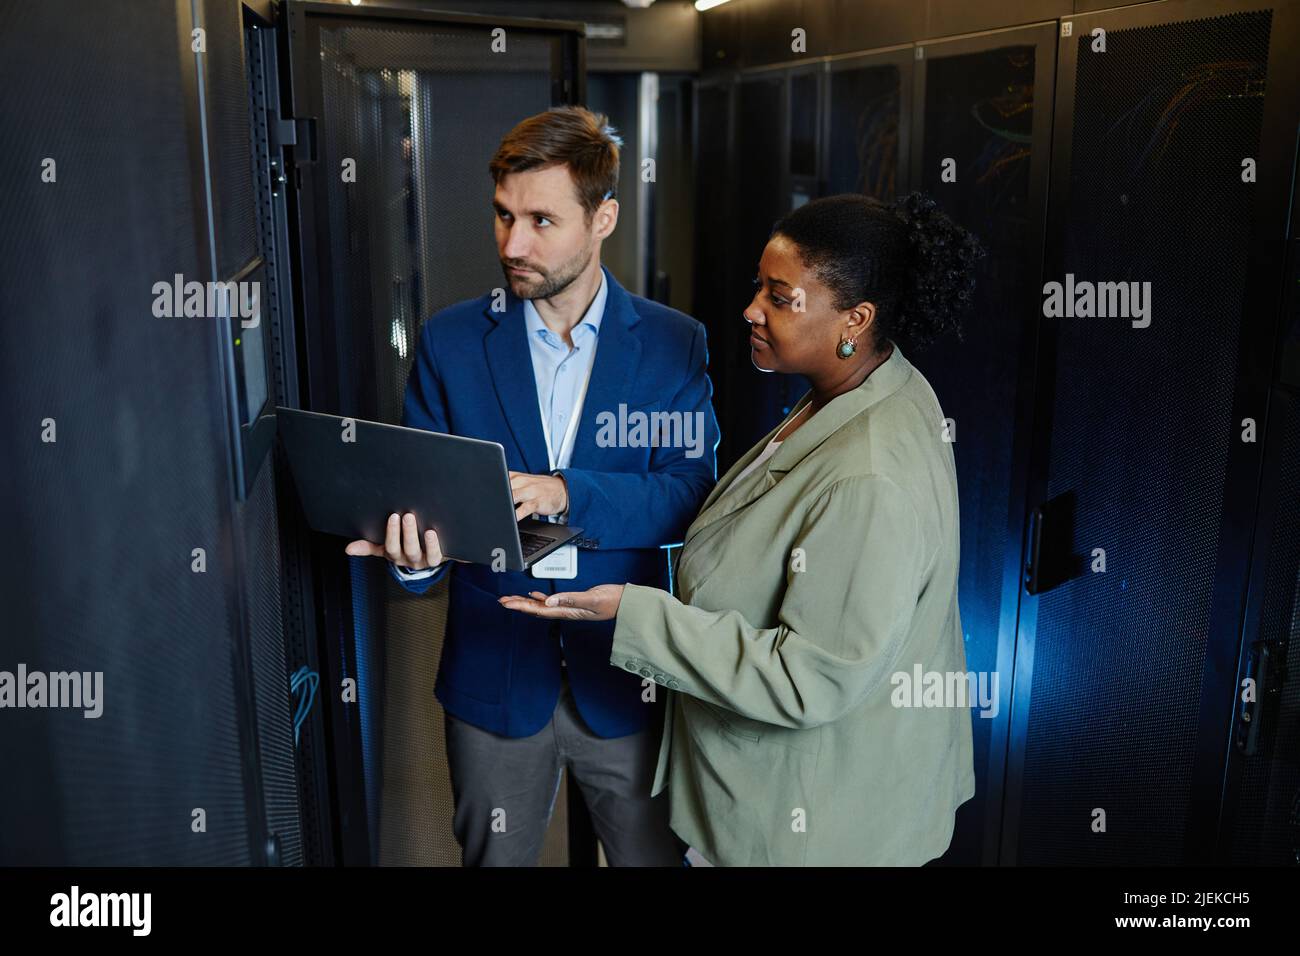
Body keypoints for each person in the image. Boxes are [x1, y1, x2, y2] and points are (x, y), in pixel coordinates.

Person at [499, 192, 983, 866]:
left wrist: (636, 614)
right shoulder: (859, 389)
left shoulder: (869, 475)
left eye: (780, 297)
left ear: (856, 319)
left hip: (813, 825)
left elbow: (807, 679)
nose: (751, 308)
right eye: (760, 284)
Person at [345, 106, 719, 866]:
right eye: (503, 216)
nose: (513, 244)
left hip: (628, 680)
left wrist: (564, 491)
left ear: (603, 217)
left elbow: (689, 493)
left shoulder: (674, 344)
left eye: (542, 220)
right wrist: (416, 559)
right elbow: (424, 498)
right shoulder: (452, 340)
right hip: (493, 674)